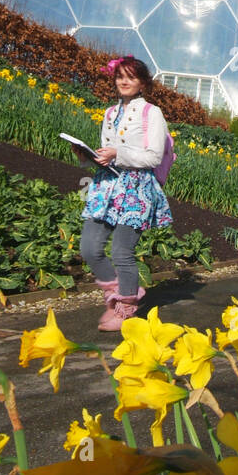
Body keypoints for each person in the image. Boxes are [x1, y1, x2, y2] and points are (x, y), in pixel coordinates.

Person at [76, 56, 171, 331]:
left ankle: (126, 309)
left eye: (130, 77)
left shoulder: (152, 113)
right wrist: (88, 156)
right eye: (120, 77)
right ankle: (115, 294)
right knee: (89, 248)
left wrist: (119, 153)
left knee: (121, 251)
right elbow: (107, 152)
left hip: (137, 189)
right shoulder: (109, 113)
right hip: (106, 186)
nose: (124, 82)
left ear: (142, 82)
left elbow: (154, 157)